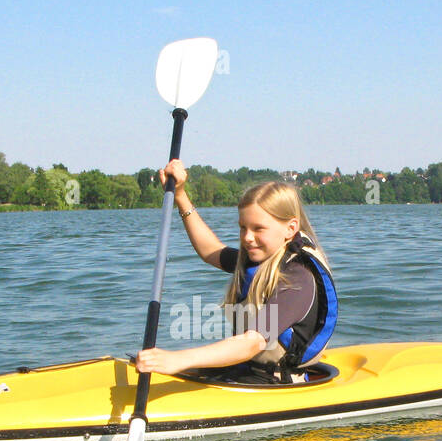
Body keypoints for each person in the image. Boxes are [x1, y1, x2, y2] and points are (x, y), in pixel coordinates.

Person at [134, 159, 337, 384]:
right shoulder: (257, 260)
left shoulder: (298, 278)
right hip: (247, 371)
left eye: (258, 228)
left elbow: (254, 342)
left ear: (290, 228)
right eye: (243, 227)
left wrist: (178, 359)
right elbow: (210, 251)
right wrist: (180, 195)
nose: (247, 238)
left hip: (278, 383)